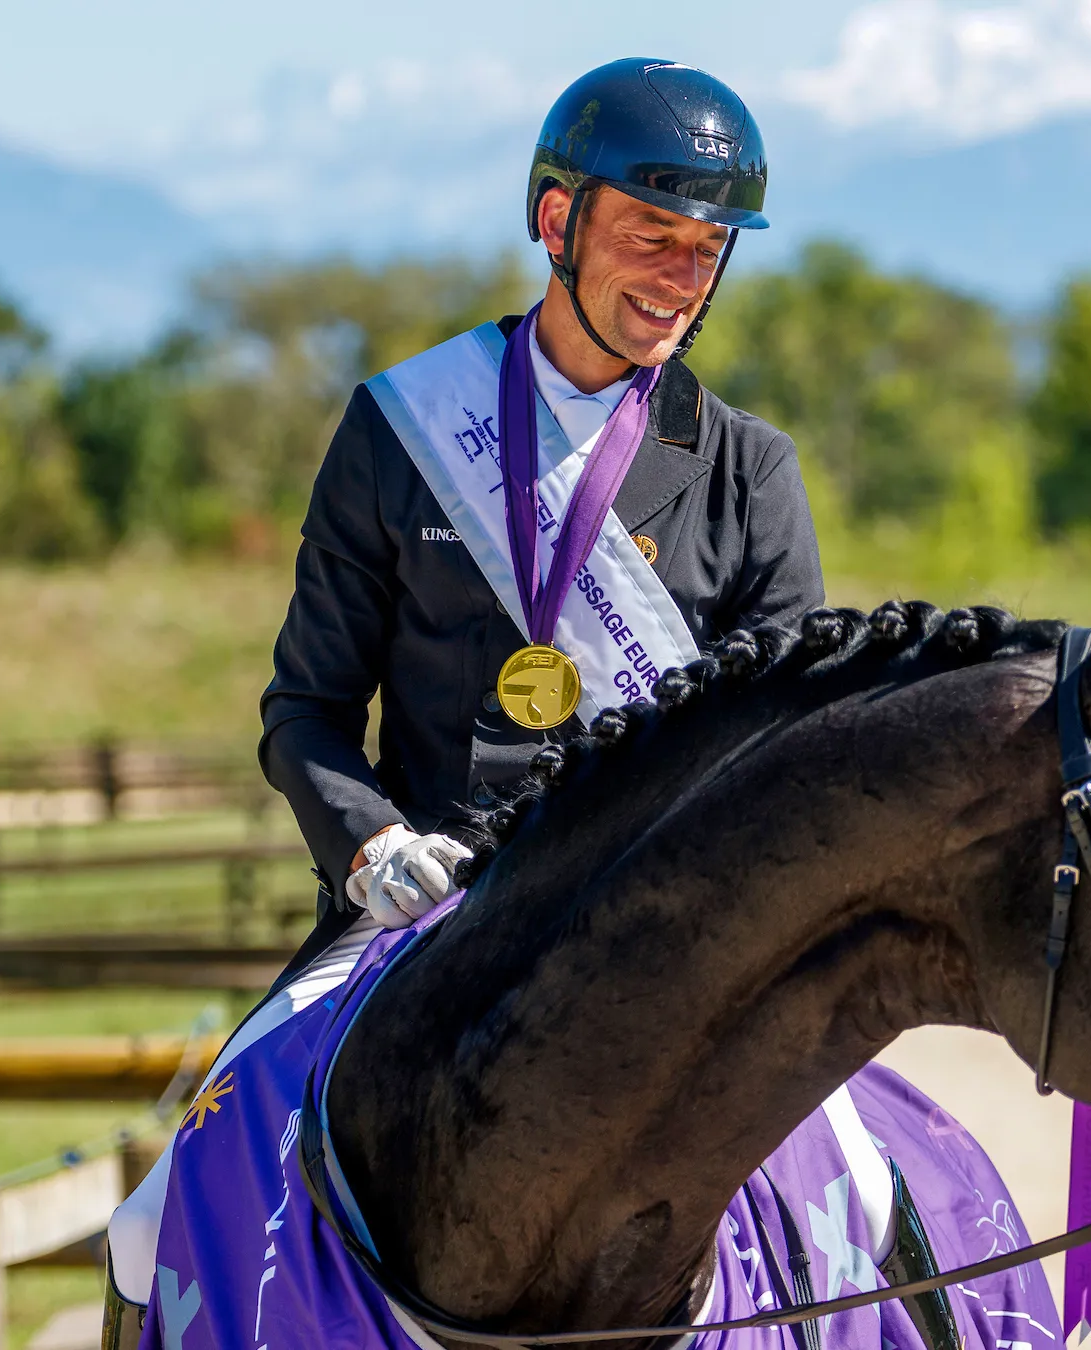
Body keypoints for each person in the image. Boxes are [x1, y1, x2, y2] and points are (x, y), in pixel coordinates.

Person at [260, 56, 825, 944]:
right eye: (651, 235)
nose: (682, 281)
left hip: (655, 923)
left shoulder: (751, 473)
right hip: (422, 909)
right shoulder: (400, 426)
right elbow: (306, 710)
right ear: (560, 220)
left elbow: (781, 746)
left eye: (708, 250)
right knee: (250, 1086)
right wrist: (376, 848)